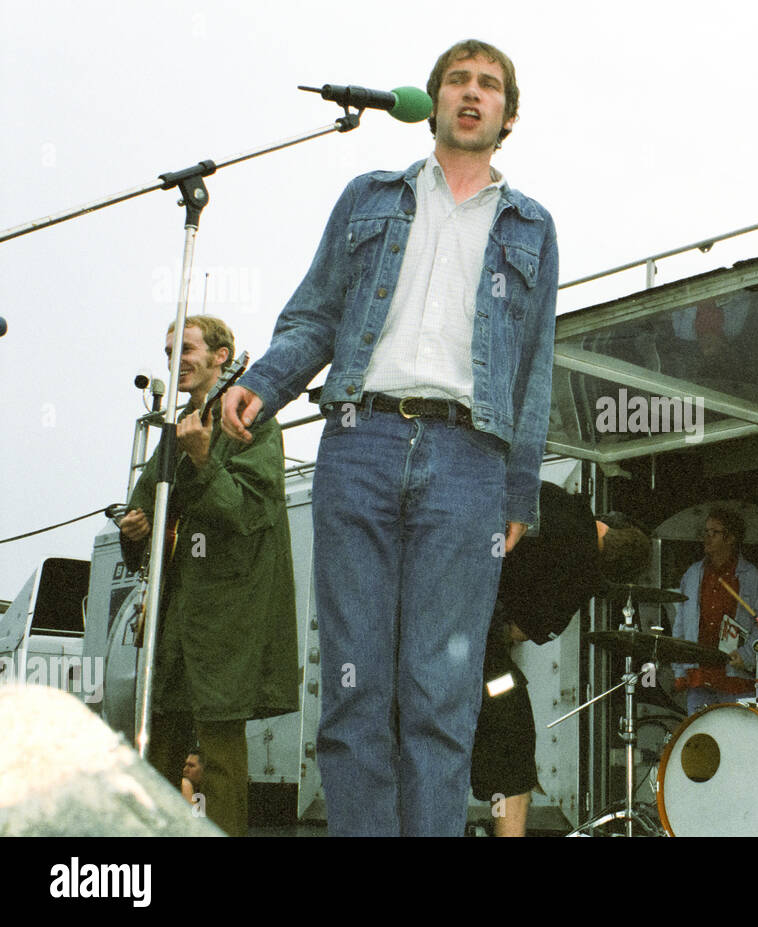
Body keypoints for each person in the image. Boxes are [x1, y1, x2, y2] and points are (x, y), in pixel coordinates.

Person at [221, 40, 558, 837]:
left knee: (441, 696)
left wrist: (520, 492)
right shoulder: (368, 197)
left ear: (509, 115)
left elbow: (534, 372)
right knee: (355, 688)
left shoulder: (533, 227)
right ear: (435, 101)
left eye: (489, 86)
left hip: (469, 461)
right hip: (359, 442)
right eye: (458, 81)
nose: (472, 95)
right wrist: (261, 383)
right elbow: (315, 314)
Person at [119, 315, 298, 837]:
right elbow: (145, 511)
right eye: (171, 352)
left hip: (228, 619)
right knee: (157, 752)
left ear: (222, 355)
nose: (178, 362)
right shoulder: (177, 431)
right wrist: (135, 530)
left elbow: (249, 513)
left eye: (188, 349)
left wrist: (205, 461)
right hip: (176, 617)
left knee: (220, 760)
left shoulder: (253, 422)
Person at [471, 482, 651, 836]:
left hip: (422, 599)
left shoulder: (553, 497)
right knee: (512, 722)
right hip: (472, 646)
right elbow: (519, 633)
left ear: (608, 522)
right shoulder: (580, 580)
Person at [671, 508, 758, 714]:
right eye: (705, 532)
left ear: (730, 538)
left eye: (714, 533)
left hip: (735, 680)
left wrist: (748, 655)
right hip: (699, 678)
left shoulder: (750, 576)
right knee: (701, 741)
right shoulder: (693, 573)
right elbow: (680, 624)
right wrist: (680, 669)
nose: (707, 538)